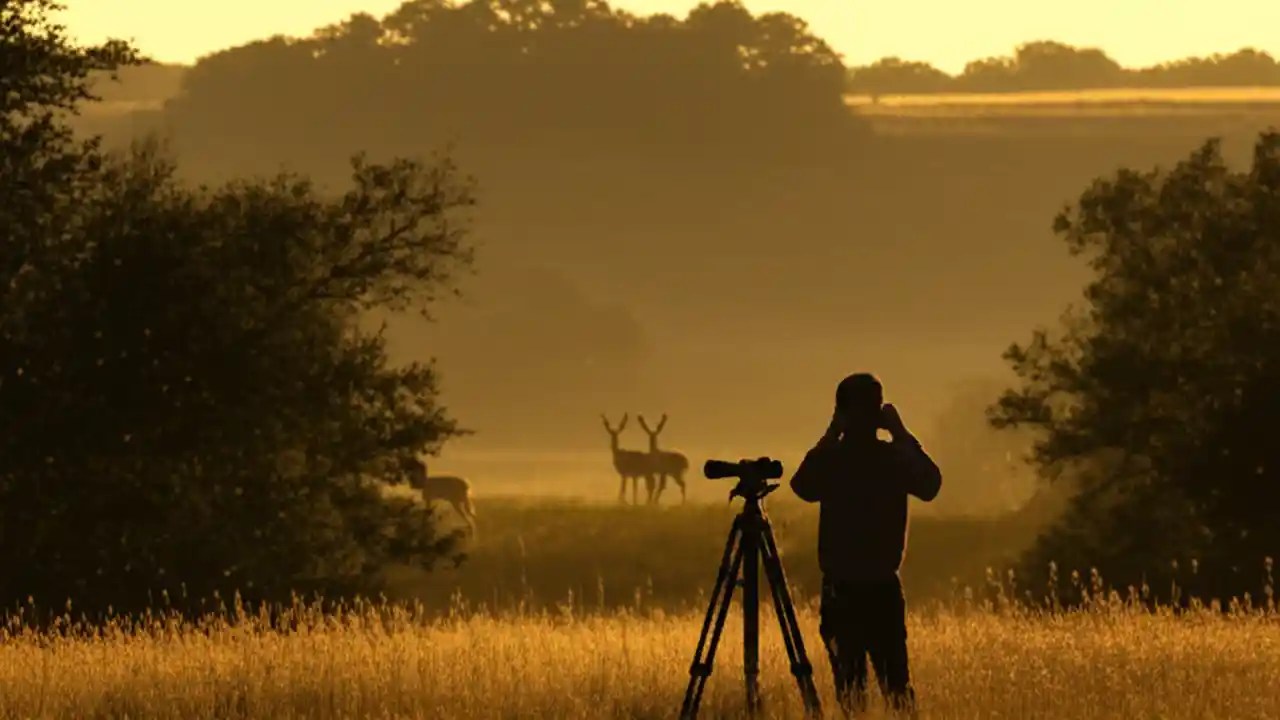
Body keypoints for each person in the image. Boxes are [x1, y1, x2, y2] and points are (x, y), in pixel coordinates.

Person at [789, 372, 942, 717]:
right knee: (898, 691)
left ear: (840, 412)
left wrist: (831, 433)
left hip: (842, 592)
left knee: (851, 696)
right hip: (882, 591)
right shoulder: (893, 459)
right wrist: (901, 433)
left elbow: (802, 485)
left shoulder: (832, 460)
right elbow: (931, 484)